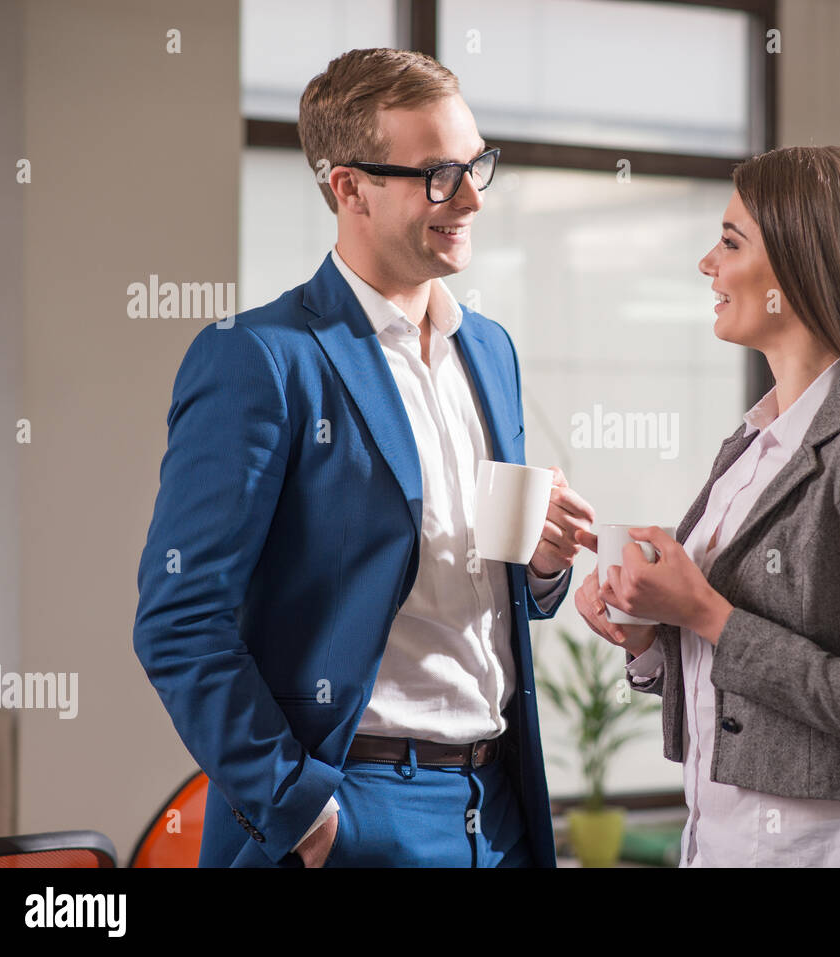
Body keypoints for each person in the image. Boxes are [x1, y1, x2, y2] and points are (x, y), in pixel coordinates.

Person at [133, 48, 593, 868]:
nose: (472, 197)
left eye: (477, 164)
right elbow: (178, 620)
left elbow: (475, 593)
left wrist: (541, 567)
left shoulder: (490, 351)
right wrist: (302, 809)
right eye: (439, 174)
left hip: (501, 810)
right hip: (355, 809)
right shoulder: (261, 358)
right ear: (348, 187)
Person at [572, 146, 840, 867]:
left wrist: (707, 614)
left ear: (801, 266)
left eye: (729, 242)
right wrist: (650, 638)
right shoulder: (754, 443)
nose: (706, 264)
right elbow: (733, 673)